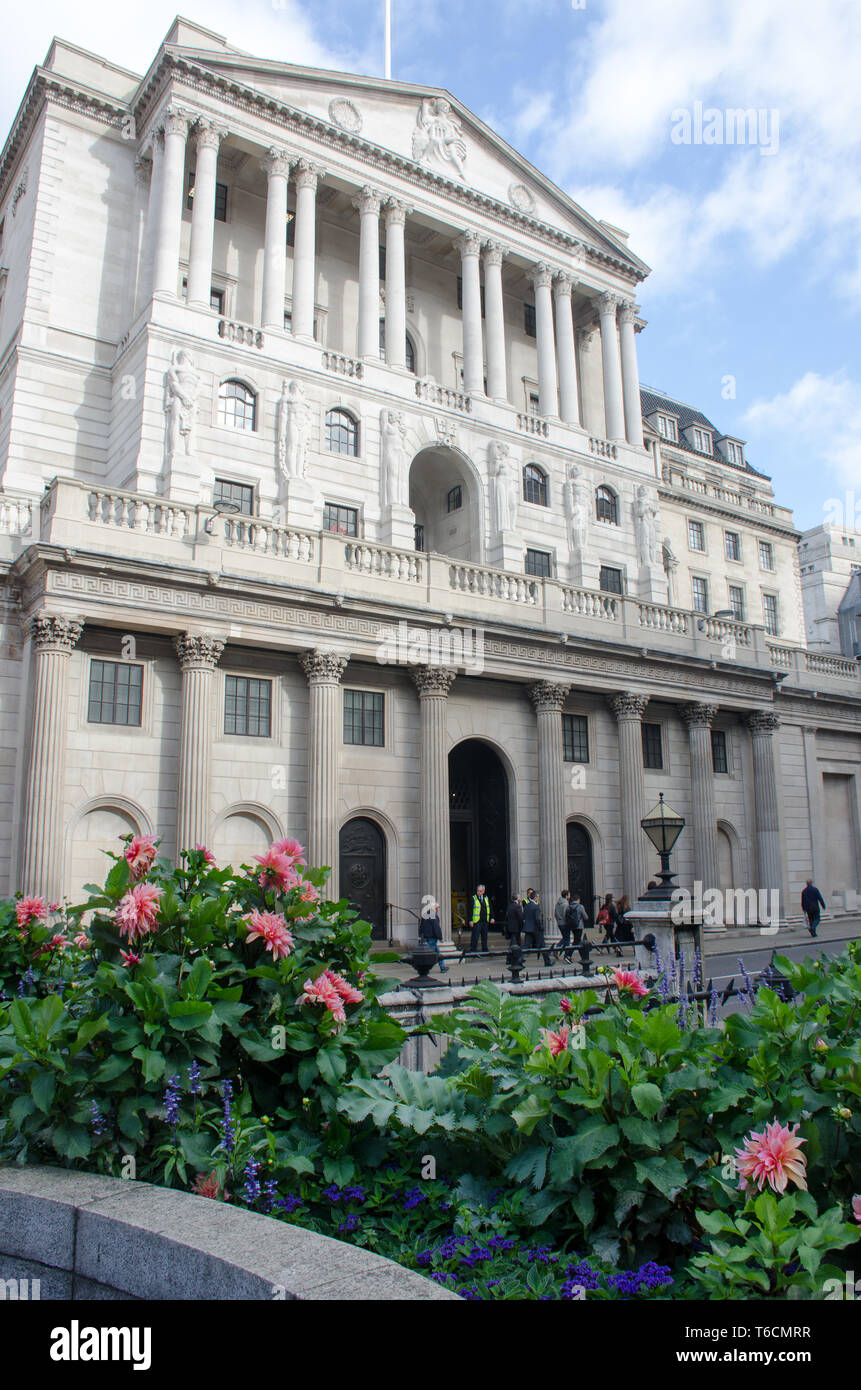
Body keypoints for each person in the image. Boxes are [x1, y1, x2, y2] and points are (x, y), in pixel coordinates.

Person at [523, 889, 551, 966]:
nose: (538, 898)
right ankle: (547, 962)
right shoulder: (536, 907)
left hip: (528, 928)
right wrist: (541, 927)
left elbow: (524, 916)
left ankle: (518, 960)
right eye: (538, 897)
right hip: (536, 929)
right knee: (542, 945)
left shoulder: (527, 906)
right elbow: (538, 919)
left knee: (526, 946)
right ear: (535, 897)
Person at [418, 900, 448, 972]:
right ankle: (426, 968)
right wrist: (440, 937)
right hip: (432, 937)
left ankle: (443, 967)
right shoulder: (433, 915)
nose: (437, 910)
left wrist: (420, 935)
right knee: (430, 954)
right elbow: (436, 927)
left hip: (426, 937)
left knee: (437, 952)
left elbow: (421, 926)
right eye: (437, 908)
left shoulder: (425, 914)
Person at [564, 893, 589, 961]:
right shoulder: (580, 906)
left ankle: (583, 956)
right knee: (576, 941)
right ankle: (568, 955)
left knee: (578, 940)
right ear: (578, 900)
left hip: (572, 925)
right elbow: (585, 917)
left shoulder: (568, 907)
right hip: (579, 926)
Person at [469, 883, 493, 953]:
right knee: (475, 937)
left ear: (483, 891)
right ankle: (473, 950)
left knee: (484, 936)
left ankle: (485, 949)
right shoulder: (473, 898)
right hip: (477, 921)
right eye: (477, 891)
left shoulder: (486, 898)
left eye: (480, 891)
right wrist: (470, 920)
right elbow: (470, 910)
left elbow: (490, 908)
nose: (478, 892)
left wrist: (492, 917)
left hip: (485, 920)